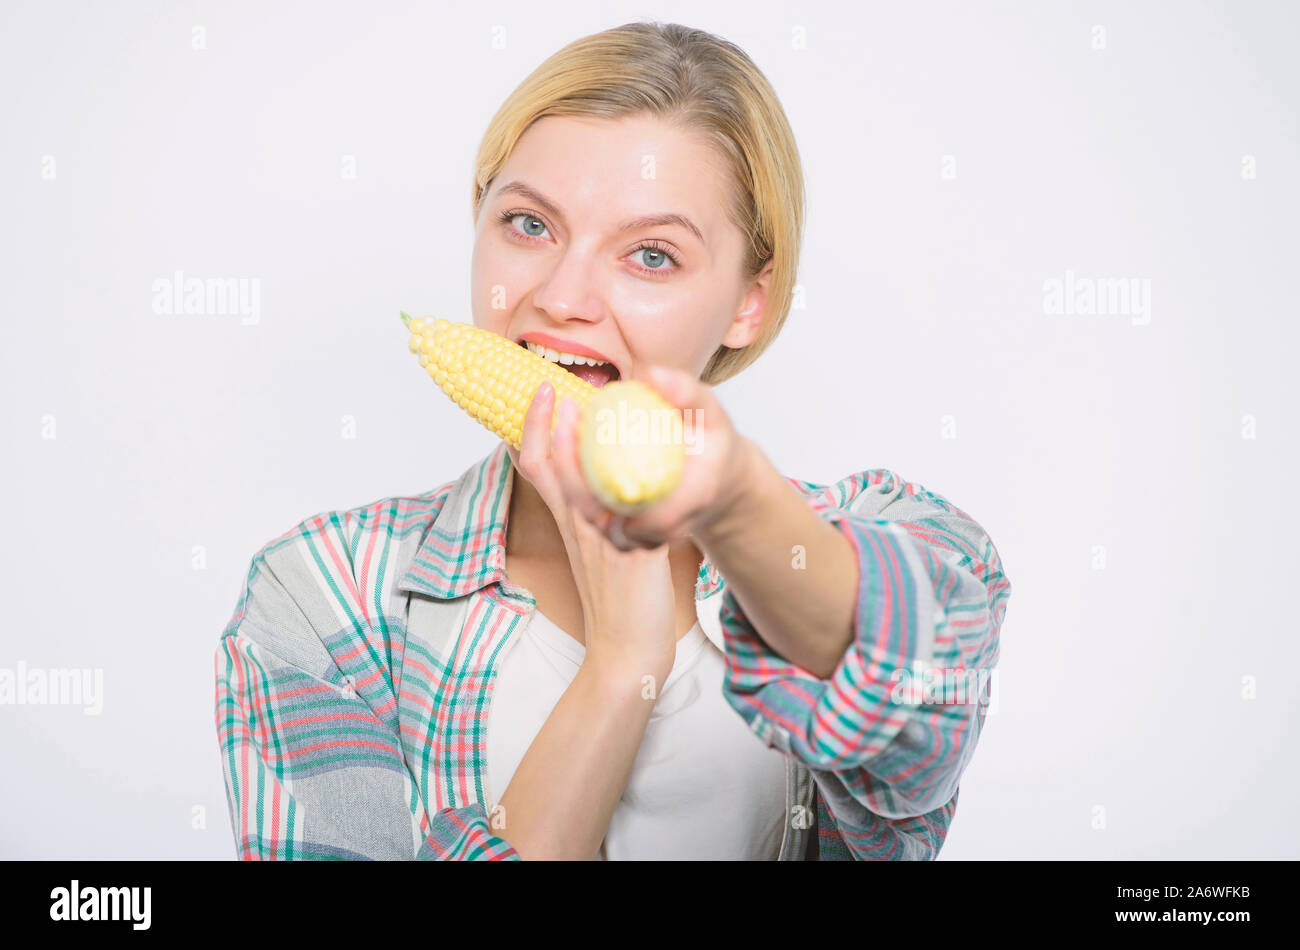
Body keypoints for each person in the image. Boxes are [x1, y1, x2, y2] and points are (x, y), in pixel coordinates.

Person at [214, 20, 1012, 861]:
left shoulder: (903, 538)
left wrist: (727, 496)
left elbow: (914, 692)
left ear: (752, 301)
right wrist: (620, 664)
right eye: (529, 225)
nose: (561, 297)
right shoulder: (326, 596)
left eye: (652, 255)